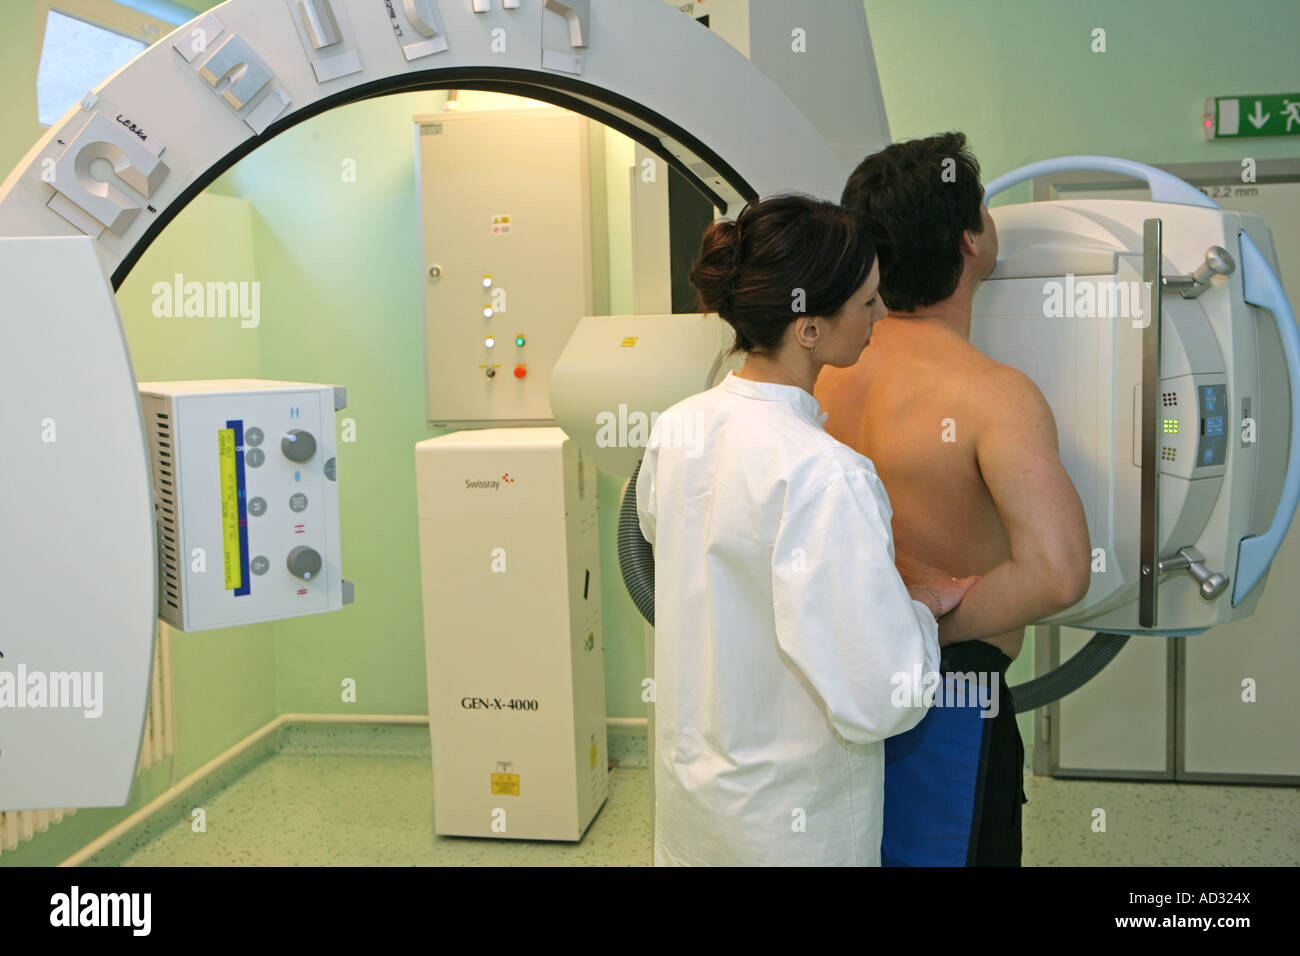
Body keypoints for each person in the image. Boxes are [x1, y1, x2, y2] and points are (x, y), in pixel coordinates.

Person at [635, 194, 978, 866]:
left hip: (697, 800)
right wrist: (921, 608)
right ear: (809, 328)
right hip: (794, 824)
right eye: (868, 303)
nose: (882, 315)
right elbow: (882, 694)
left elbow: (678, 548)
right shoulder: (827, 474)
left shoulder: (677, 428)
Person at [814, 132, 1092, 866]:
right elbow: (1059, 571)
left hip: (823, 682)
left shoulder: (810, 374)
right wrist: (920, 631)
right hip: (952, 701)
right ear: (972, 242)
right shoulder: (991, 394)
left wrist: (878, 634)